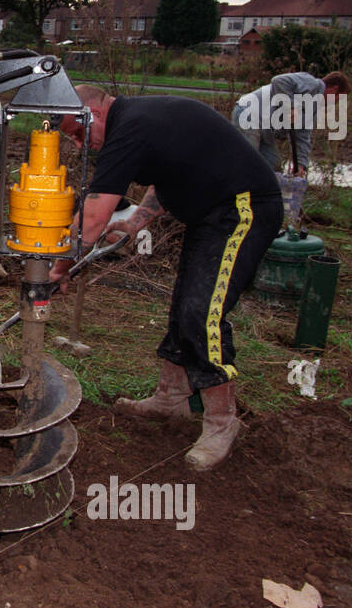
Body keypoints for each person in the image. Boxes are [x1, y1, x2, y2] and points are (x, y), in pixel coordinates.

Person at [49, 86, 282, 471]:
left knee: (202, 310)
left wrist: (58, 268)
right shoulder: (139, 122)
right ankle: (171, 397)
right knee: (186, 302)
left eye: (77, 133)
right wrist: (135, 222)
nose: (77, 145)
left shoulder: (130, 127)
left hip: (244, 208)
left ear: (94, 113)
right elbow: (166, 174)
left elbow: (91, 219)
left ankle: (222, 422)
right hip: (212, 215)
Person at [232, 71, 352, 178]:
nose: (336, 102)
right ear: (334, 89)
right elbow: (278, 80)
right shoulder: (311, 83)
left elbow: (303, 136)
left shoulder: (314, 108)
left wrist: (301, 165)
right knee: (248, 163)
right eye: (339, 98)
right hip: (249, 112)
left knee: (273, 164)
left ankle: (260, 198)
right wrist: (290, 107)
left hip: (265, 126)